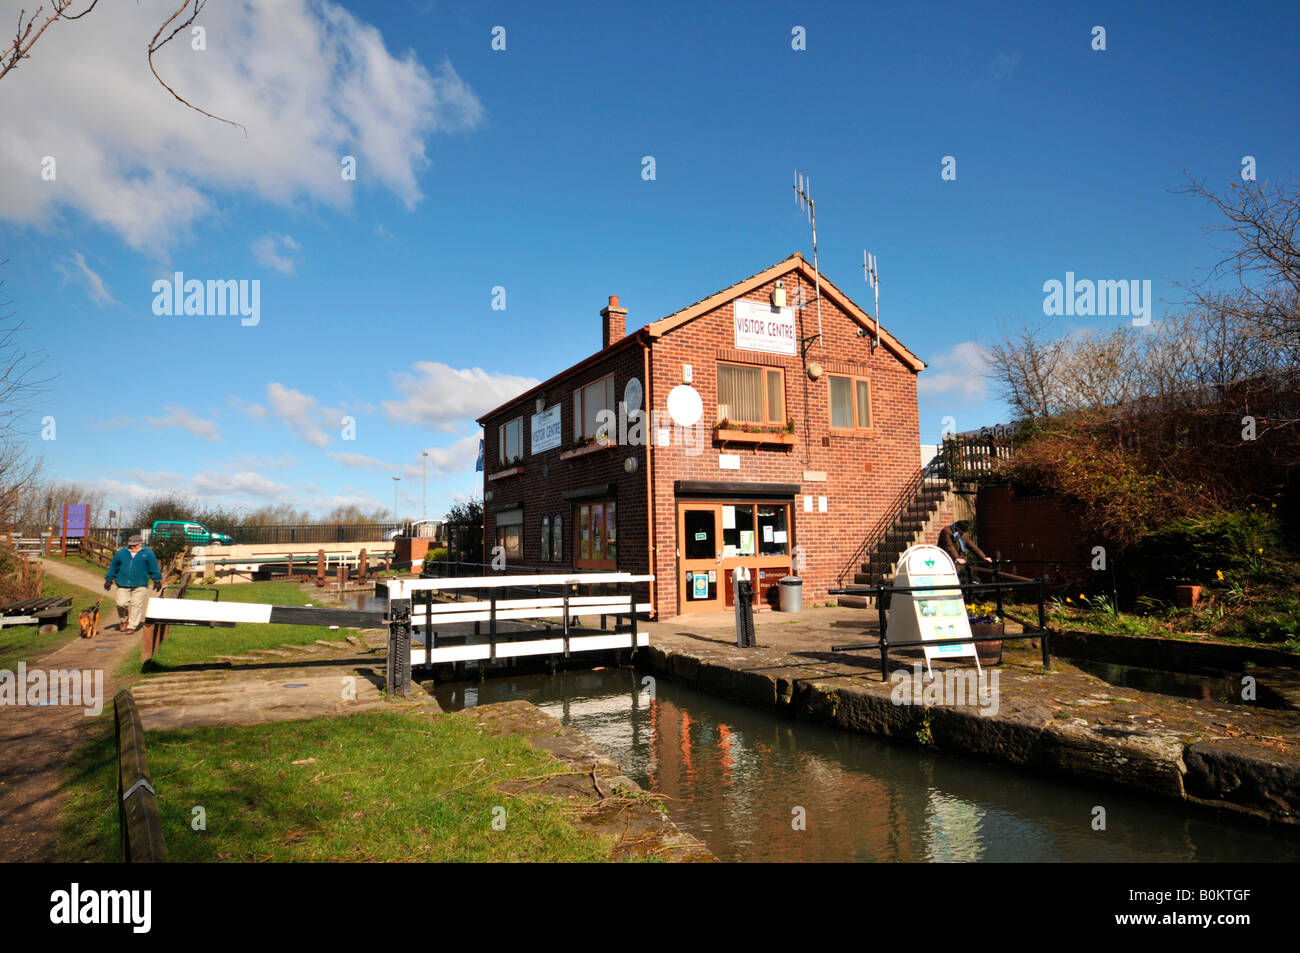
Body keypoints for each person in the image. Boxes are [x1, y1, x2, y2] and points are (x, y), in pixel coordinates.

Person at [104, 534, 162, 634]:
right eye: (131, 545)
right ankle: (124, 620)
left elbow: (154, 567)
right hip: (122, 583)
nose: (133, 547)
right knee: (121, 604)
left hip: (140, 584)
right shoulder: (121, 552)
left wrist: (157, 580)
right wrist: (109, 580)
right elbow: (113, 567)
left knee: (136, 605)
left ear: (141, 543)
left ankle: (132, 626)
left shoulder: (148, 553)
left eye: (135, 545)